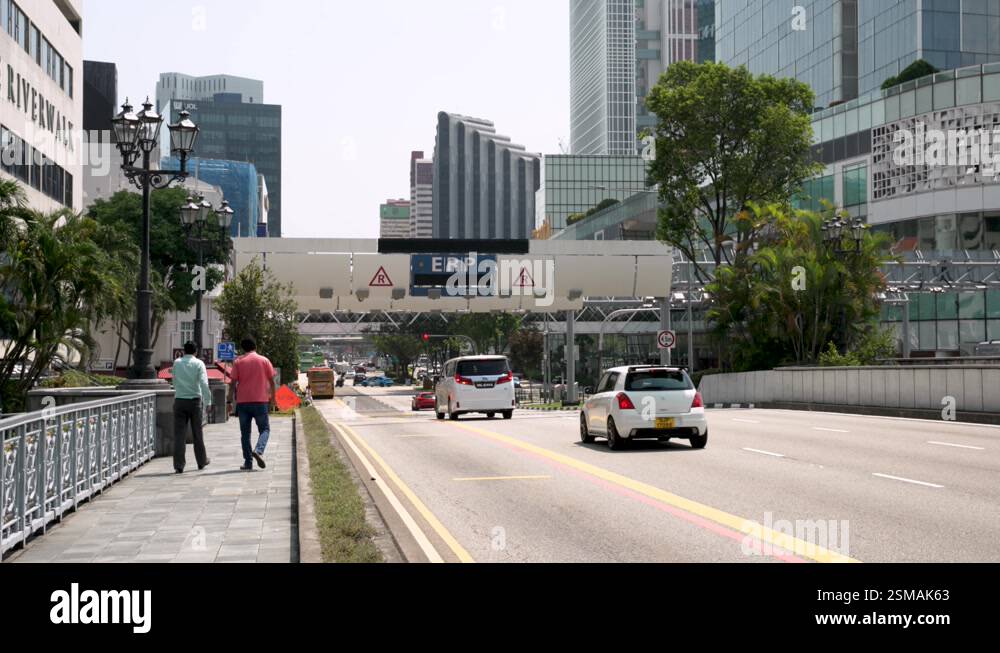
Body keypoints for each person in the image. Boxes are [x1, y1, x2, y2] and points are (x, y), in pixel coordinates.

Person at [228, 338, 276, 471]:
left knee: (245, 433)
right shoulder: (264, 360)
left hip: (243, 403)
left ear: (243, 348)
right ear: (255, 346)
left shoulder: (238, 362)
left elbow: (232, 384)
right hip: (260, 401)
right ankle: (258, 450)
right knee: (265, 429)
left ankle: (248, 462)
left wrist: (229, 401)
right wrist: (273, 399)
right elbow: (272, 382)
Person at [172, 342, 212, 474]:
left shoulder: (177, 363)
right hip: (195, 401)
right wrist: (208, 401)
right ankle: (201, 461)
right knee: (197, 433)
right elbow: (204, 383)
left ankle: (179, 465)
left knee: (179, 435)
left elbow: (174, 380)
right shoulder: (199, 363)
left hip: (179, 400)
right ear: (195, 351)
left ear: (184, 350)